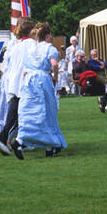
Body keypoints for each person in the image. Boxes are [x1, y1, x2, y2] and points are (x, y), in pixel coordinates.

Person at [12, 21, 66, 158]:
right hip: (42, 79)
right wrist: (55, 76)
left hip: (29, 81)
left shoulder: (30, 49)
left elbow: (25, 67)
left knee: (30, 111)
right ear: (47, 36)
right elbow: (54, 64)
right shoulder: (49, 48)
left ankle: (23, 140)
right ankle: (49, 145)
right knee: (47, 110)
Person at [0, 19, 35, 155]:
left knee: (13, 114)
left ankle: (3, 138)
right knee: (23, 115)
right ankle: (14, 140)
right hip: (25, 84)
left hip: (13, 84)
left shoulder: (15, 47)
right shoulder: (32, 45)